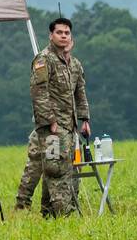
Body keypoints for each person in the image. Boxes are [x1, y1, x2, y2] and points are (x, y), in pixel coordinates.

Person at [15, 19, 90, 215]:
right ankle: (62, 212)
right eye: (59, 32)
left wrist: (85, 119)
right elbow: (39, 93)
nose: (64, 36)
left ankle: (48, 212)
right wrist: (51, 122)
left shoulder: (74, 64)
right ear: (51, 35)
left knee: (64, 166)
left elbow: (80, 93)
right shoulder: (44, 60)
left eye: (67, 33)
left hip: (70, 126)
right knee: (55, 167)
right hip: (52, 127)